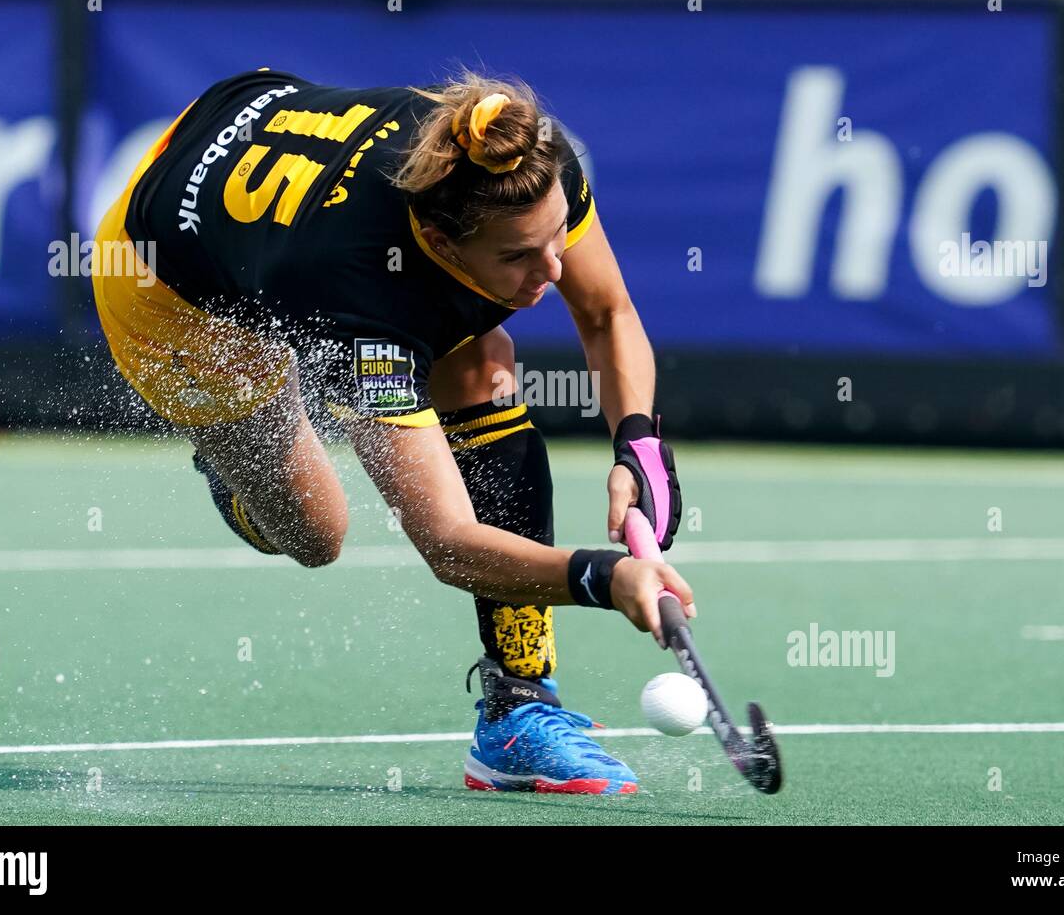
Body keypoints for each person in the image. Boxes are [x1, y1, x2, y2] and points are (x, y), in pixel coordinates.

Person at [90, 66, 688, 794]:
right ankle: (234, 463)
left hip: (252, 112)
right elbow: (447, 545)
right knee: (315, 534)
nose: (552, 270)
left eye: (557, 237)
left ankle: (518, 708)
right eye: (518, 258)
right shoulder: (361, 293)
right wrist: (605, 576)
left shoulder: (521, 162)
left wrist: (641, 449)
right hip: (168, 282)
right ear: (437, 238)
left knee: (482, 370)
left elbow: (607, 313)